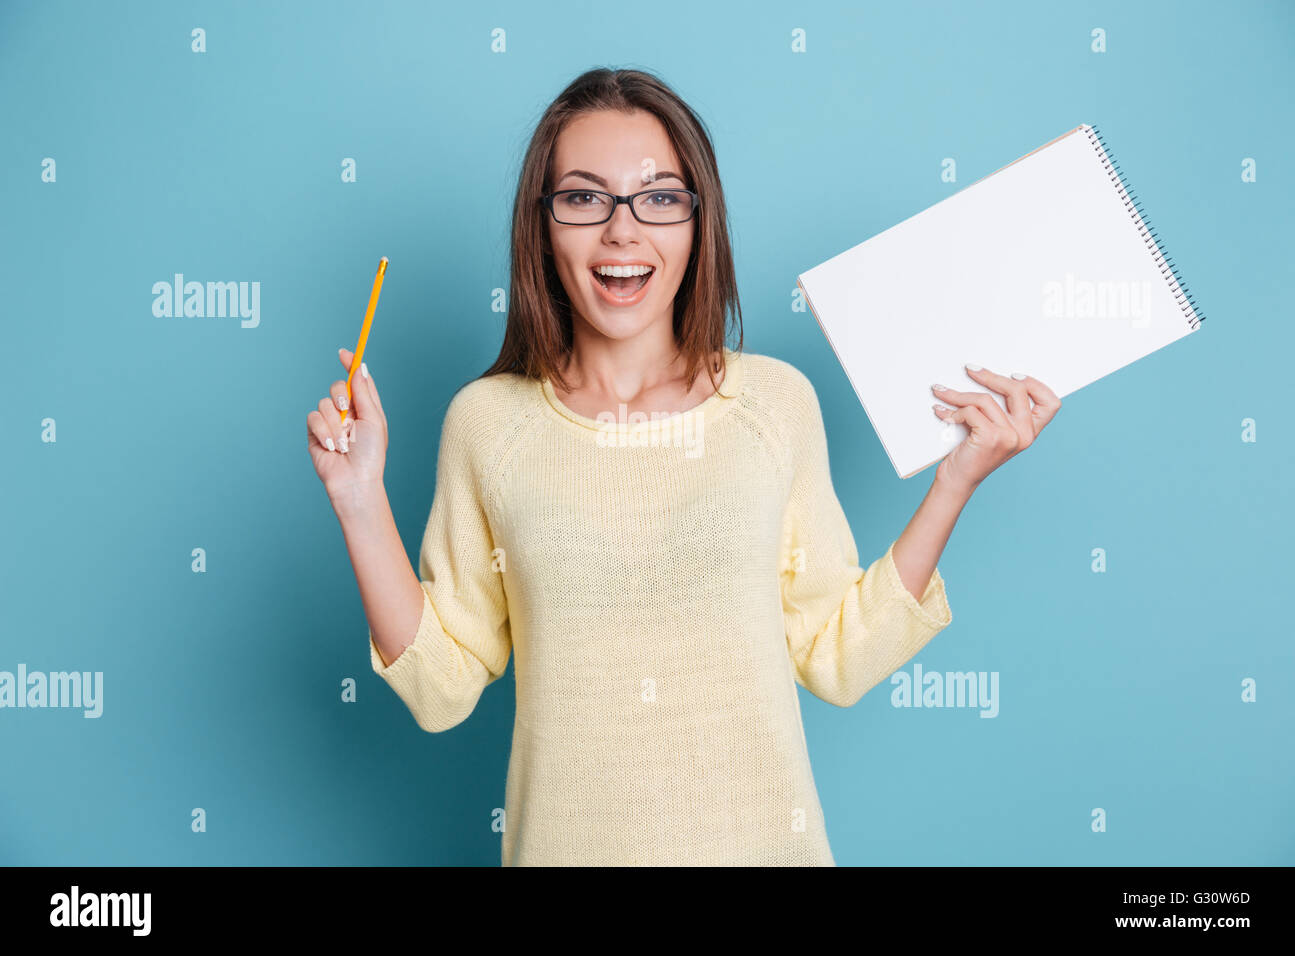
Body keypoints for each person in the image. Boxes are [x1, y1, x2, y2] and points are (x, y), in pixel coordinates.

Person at [305, 67, 1060, 866]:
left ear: (700, 224)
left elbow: (838, 655)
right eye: (584, 197)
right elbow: (440, 689)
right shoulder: (489, 424)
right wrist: (360, 501)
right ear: (542, 224)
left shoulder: (775, 405)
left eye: (659, 198)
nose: (621, 231)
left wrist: (955, 482)